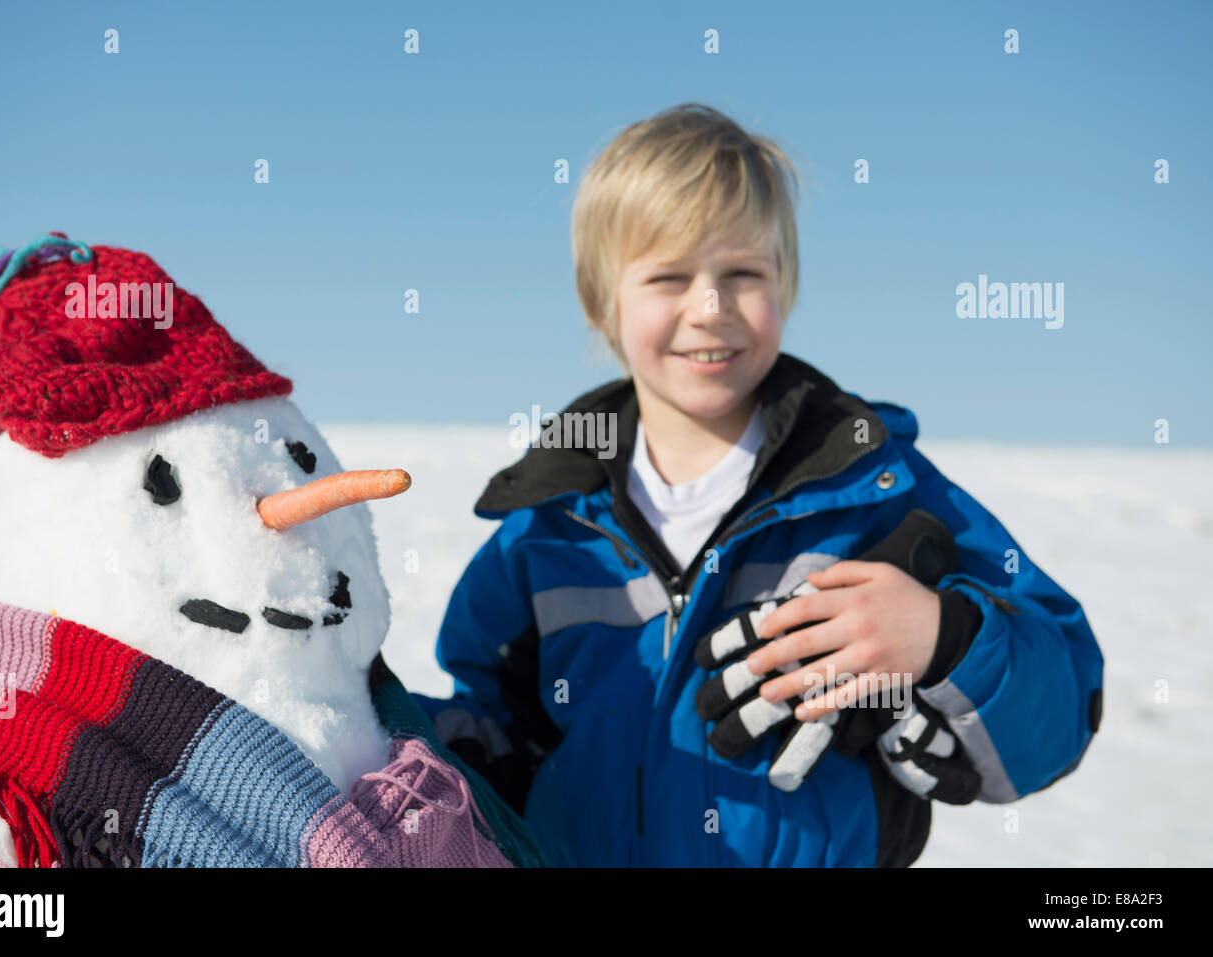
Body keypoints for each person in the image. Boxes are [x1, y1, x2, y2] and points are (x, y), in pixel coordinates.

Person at [410, 102, 1104, 866]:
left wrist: (942, 639)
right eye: (668, 277)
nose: (710, 310)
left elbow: (1063, 705)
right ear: (600, 301)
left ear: (788, 283)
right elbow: (480, 731)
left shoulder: (877, 492)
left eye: (743, 273)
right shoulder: (545, 530)